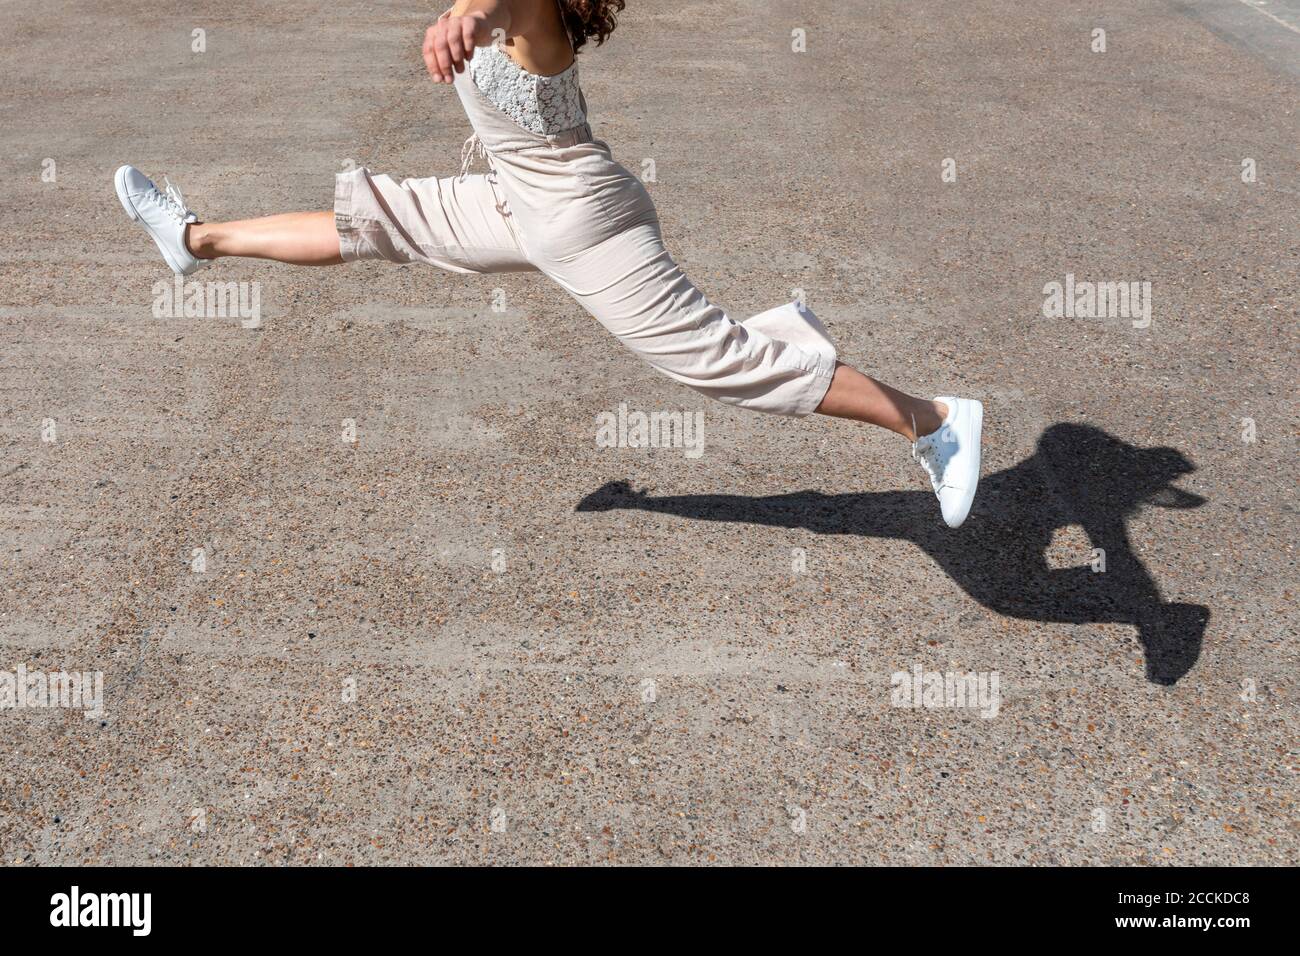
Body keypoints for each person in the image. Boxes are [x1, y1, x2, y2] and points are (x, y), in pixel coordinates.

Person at [114, 0, 983, 526]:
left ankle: (936, 421)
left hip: (579, 216)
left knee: (717, 363)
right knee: (375, 220)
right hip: (512, 200)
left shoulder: (519, 7)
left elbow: (492, 10)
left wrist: (463, 22)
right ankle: (192, 240)